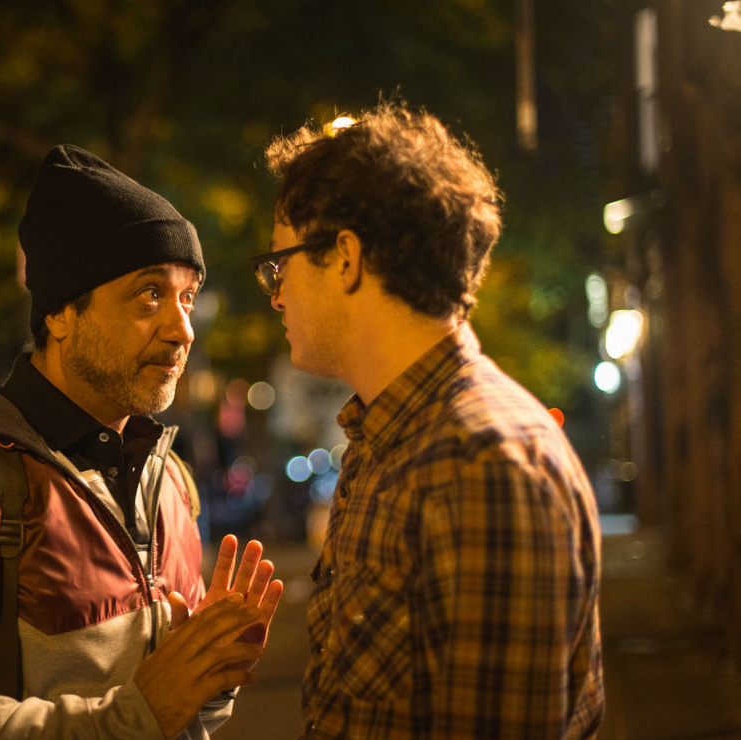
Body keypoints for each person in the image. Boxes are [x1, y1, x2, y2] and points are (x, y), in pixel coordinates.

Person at [0, 144, 283, 739]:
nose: (182, 329)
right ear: (58, 314)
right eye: (150, 294)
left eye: (187, 296)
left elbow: (178, 716)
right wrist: (137, 714)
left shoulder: (168, 482)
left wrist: (207, 671)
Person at [254, 102, 604, 738]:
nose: (276, 292)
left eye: (281, 263)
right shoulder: (387, 437)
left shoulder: (480, 463)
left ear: (346, 258)